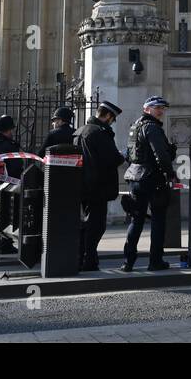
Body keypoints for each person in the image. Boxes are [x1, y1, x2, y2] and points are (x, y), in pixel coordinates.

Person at [120, 96, 178, 272]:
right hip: (152, 179)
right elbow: (160, 154)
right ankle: (155, 261)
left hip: (135, 178)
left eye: (162, 108)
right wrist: (171, 174)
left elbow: (129, 155)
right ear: (147, 109)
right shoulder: (152, 128)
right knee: (158, 220)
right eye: (156, 108)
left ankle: (128, 262)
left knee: (136, 220)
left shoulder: (134, 127)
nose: (160, 111)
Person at [73, 100, 125, 271]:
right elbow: (111, 158)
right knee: (96, 226)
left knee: (83, 225)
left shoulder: (80, 131)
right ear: (108, 116)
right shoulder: (99, 133)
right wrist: (122, 156)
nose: (112, 122)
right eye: (112, 119)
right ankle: (89, 260)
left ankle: (81, 257)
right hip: (98, 186)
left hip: (81, 186)